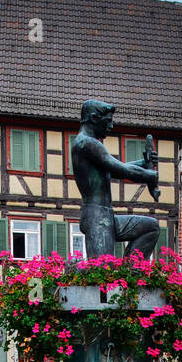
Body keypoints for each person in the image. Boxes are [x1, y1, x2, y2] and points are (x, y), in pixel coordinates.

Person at [70, 100, 161, 259]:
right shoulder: (86, 143)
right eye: (108, 121)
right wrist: (150, 175)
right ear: (94, 118)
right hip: (96, 217)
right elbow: (121, 169)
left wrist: (144, 164)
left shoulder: (91, 144)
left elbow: (117, 169)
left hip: (106, 215)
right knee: (102, 272)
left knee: (150, 227)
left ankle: (131, 273)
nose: (111, 126)